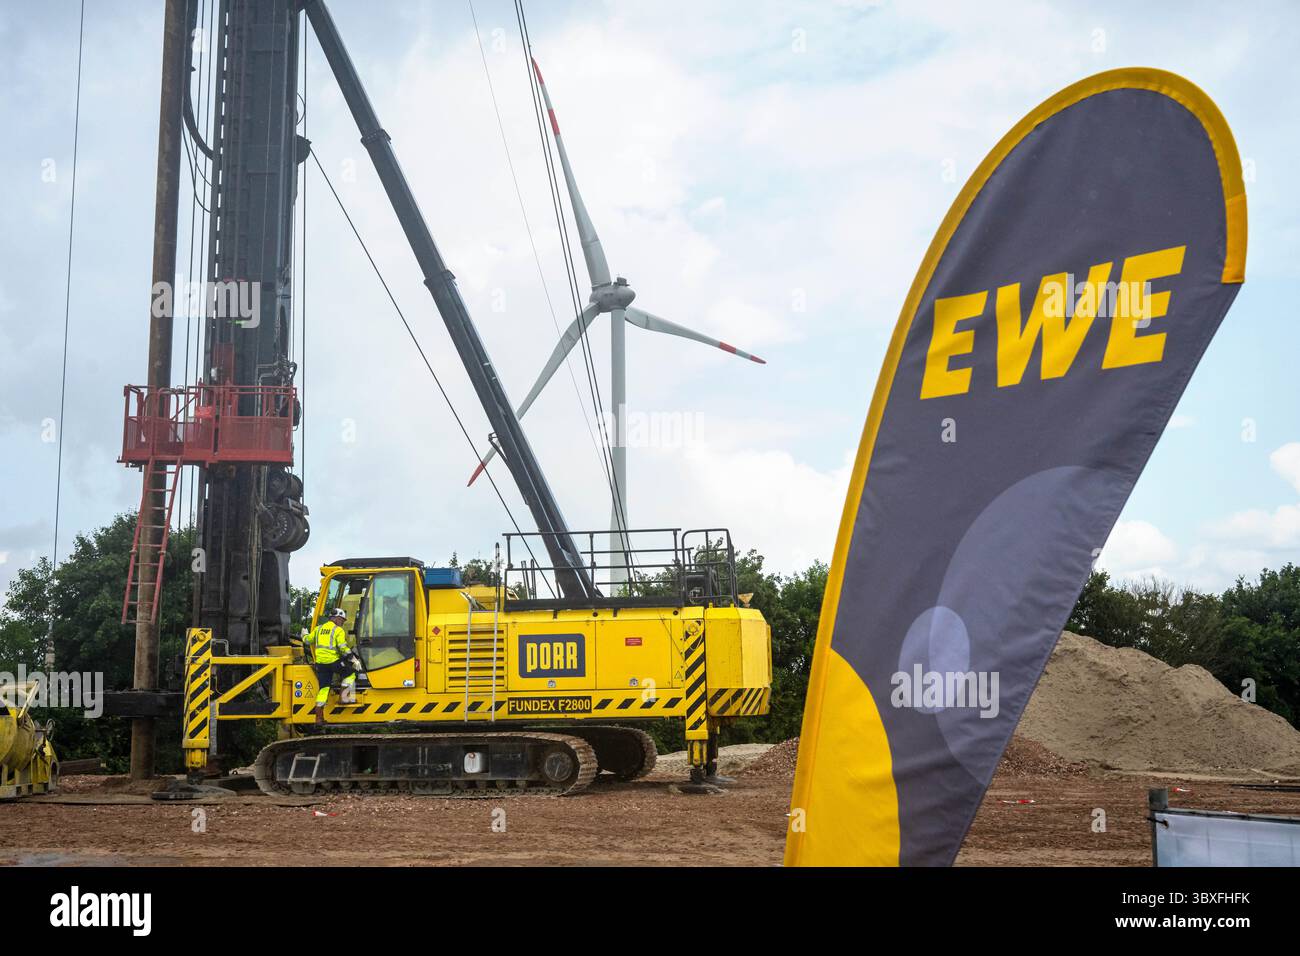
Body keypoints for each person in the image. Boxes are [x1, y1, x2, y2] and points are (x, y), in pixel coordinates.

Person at [304, 607, 358, 724]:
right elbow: (343, 647)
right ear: (336, 618)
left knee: (324, 689)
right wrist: (352, 658)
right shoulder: (338, 630)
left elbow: (307, 640)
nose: (342, 623)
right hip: (333, 662)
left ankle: (319, 718)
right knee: (351, 673)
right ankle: (344, 698)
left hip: (321, 665)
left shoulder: (318, 629)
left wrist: (304, 634)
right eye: (342, 620)